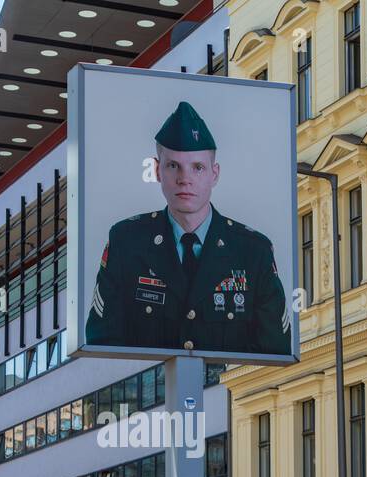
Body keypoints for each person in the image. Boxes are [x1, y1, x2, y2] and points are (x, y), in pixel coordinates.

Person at [84, 101, 289, 356]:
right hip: (154, 394)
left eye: (197, 167)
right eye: (173, 166)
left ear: (215, 174)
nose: (185, 179)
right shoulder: (127, 243)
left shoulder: (253, 251)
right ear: (158, 171)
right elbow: (102, 342)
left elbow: (275, 348)